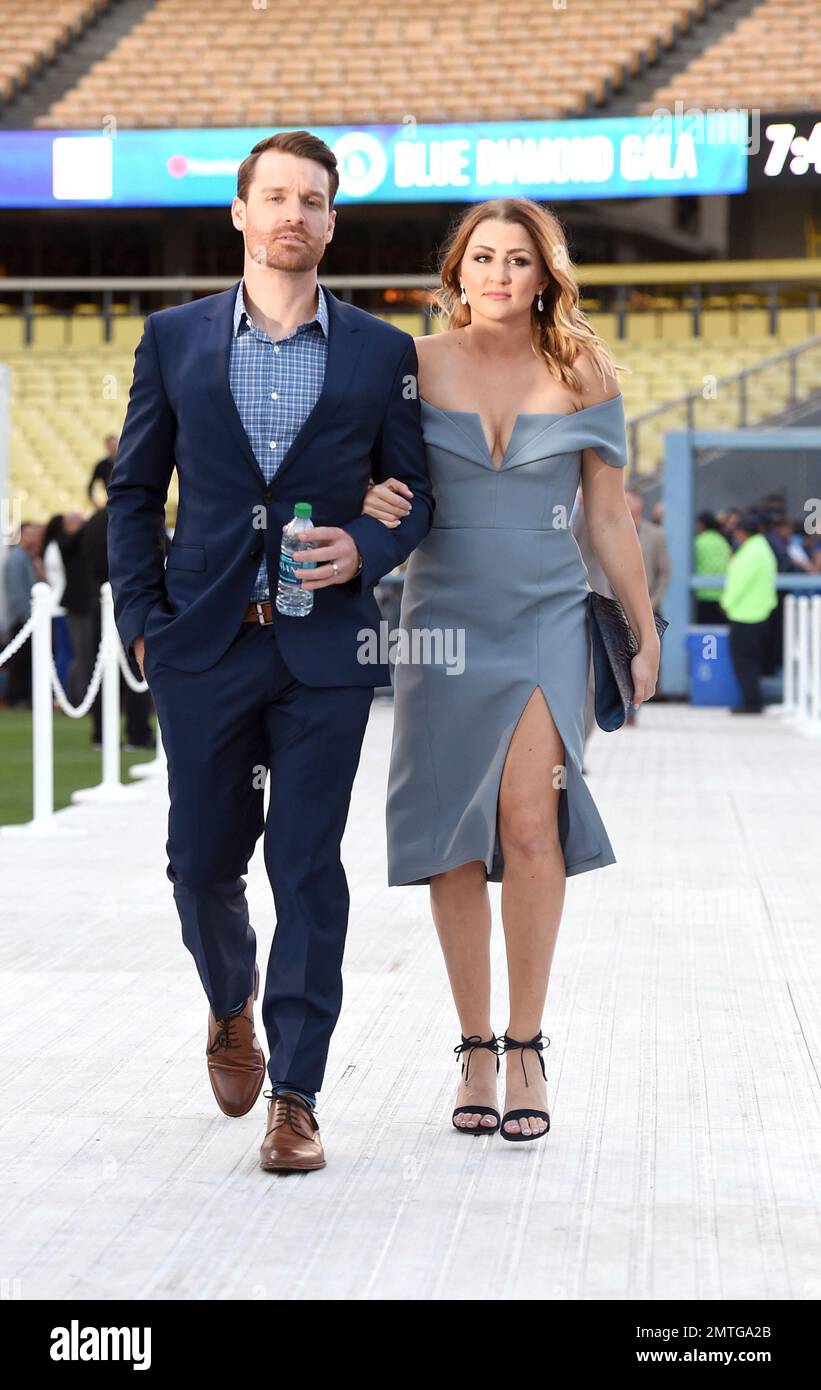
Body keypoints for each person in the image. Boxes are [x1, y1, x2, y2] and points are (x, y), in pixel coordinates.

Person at [106, 130, 434, 1173]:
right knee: (200, 864)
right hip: (201, 646)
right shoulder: (172, 339)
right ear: (240, 214)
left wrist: (370, 543)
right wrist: (139, 620)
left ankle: (297, 1094)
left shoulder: (383, 354)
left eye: (313, 200)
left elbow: (414, 491)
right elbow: (130, 491)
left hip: (321, 656)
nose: (294, 214)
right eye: (276, 197)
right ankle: (227, 1004)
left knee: (305, 866)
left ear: (332, 222)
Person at [363, 198, 659, 1142]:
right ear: (456, 272)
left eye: (518, 260)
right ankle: (474, 1049)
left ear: (544, 275)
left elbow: (606, 517)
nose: (497, 273)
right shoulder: (406, 364)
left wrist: (644, 630)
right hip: (439, 620)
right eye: (482, 257)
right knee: (453, 833)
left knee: (531, 824)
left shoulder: (583, 369)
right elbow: (363, 476)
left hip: (545, 615)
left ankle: (526, 1044)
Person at [720, 511, 778, 714]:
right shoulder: (761, 549)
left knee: (745, 661)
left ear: (743, 532)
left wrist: (726, 602)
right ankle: (752, 701)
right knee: (751, 660)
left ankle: (752, 703)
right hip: (758, 612)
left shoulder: (751, 552)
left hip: (746, 614)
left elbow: (739, 583)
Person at [1, 522, 44, 708]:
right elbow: (18, 594)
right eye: (30, 534)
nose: (34, 538)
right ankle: (18, 698)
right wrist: (28, 618)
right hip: (23, 618)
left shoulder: (26, 558)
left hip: (27, 618)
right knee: (20, 661)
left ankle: (22, 697)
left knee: (25, 660)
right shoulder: (16, 559)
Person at [694, 511, 732, 624]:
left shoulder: (698, 541)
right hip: (721, 593)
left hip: (703, 592)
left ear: (702, 524)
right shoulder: (723, 541)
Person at [88, 434, 118, 508]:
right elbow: (91, 485)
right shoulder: (101, 465)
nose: (113, 449)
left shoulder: (125, 461)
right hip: (110, 501)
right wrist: (94, 502)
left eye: (114, 446)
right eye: (110, 447)